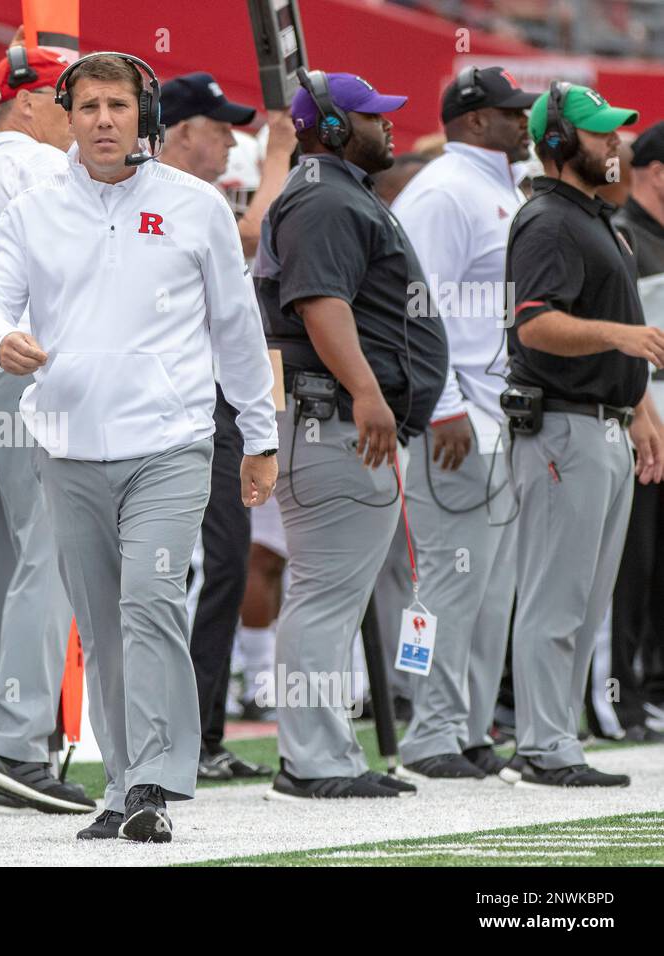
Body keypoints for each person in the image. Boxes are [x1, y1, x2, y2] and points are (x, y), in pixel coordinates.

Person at [0, 52, 279, 842]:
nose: (104, 119)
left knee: (150, 603)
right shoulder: (32, 208)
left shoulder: (196, 207)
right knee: (102, 625)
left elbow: (238, 330)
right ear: (66, 116)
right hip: (66, 446)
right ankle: (120, 785)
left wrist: (261, 434)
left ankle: (155, 782)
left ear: (147, 118)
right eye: (90, 105)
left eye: (119, 105)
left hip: (170, 445)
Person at [256, 71, 448, 801]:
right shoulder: (326, 197)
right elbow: (319, 301)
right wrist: (368, 390)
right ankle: (312, 758)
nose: (389, 126)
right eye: (372, 116)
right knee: (324, 597)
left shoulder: (335, 192)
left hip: (336, 421)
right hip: (333, 417)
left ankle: (321, 750)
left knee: (327, 595)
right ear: (331, 127)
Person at [0, 47, 96, 817]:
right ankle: (15, 743)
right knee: (50, 554)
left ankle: (5, 747)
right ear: (32, 103)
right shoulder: (36, 168)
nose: (85, 116)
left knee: (5, 567)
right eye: (71, 98)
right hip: (18, 369)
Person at [501, 83, 664, 788]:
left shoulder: (590, 219)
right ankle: (542, 745)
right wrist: (622, 338)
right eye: (601, 134)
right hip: (563, 428)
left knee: (585, 600)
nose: (615, 144)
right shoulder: (550, 222)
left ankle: (556, 738)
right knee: (556, 596)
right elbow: (534, 323)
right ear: (563, 143)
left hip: (599, 424)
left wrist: (638, 405)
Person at [388, 67, 537, 779]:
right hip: (458, 415)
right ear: (476, 120)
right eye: (513, 111)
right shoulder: (446, 190)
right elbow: (416, 305)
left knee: (491, 588)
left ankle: (469, 727)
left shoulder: (498, 185)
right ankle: (427, 731)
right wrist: (440, 402)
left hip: (497, 413)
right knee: (444, 584)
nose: (525, 120)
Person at [157, 70, 272, 782]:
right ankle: (177, 736)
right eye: (218, 125)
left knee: (221, 564)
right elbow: (257, 230)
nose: (231, 138)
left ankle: (197, 731)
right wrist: (283, 151)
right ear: (180, 132)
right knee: (198, 568)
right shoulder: (172, 200)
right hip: (173, 411)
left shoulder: (193, 202)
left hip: (211, 405)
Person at [607, 121, 664, 743]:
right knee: (631, 565)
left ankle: (650, 690)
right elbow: (627, 345)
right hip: (638, 423)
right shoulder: (624, 238)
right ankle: (619, 695)